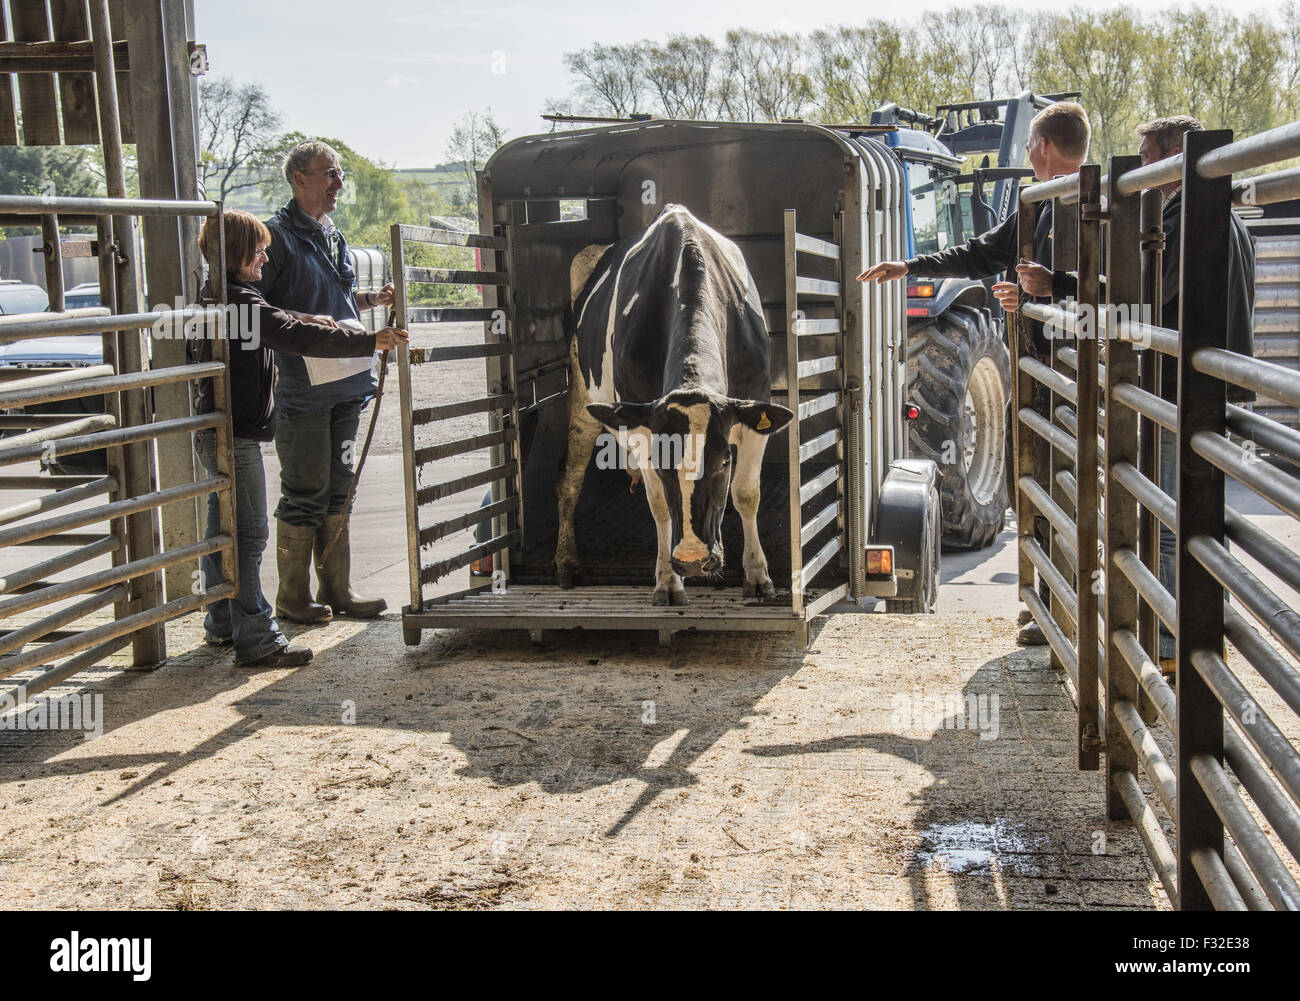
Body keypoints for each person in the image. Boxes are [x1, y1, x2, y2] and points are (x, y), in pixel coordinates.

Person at [859, 101, 1091, 645]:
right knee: (1034, 483)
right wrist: (910, 266)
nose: (1030, 153)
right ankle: (1045, 601)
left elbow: (1111, 286)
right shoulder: (1038, 204)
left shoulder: (1096, 203)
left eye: (1033, 145)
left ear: (1044, 147)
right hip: (1040, 368)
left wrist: (1053, 287)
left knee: (1068, 487)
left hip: (1080, 371)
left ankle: (1068, 606)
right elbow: (982, 254)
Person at [193, 209, 408, 667]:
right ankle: (258, 637)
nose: (265, 256)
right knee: (249, 536)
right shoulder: (240, 303)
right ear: (237, 253)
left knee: (221, 531)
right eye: (258, 248)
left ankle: (219, 622)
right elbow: (286, 332)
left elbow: (281, 317)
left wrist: (319, 318)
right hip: (236, 436)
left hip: (220, 431)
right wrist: (369, 342)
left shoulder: (223, 297)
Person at [257, 139, 396, 624]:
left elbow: (331, 302)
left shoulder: (331, 236)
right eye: (330, 174)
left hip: (345, 383)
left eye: (340, 175)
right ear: (299, 179)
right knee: (305, 491)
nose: (339, 183)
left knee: (340, 488)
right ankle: (292, 597)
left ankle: (337, 589)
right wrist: (326, 326)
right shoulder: (275, 238)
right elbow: (262, 314)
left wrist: (369, 301)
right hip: (303, 387)